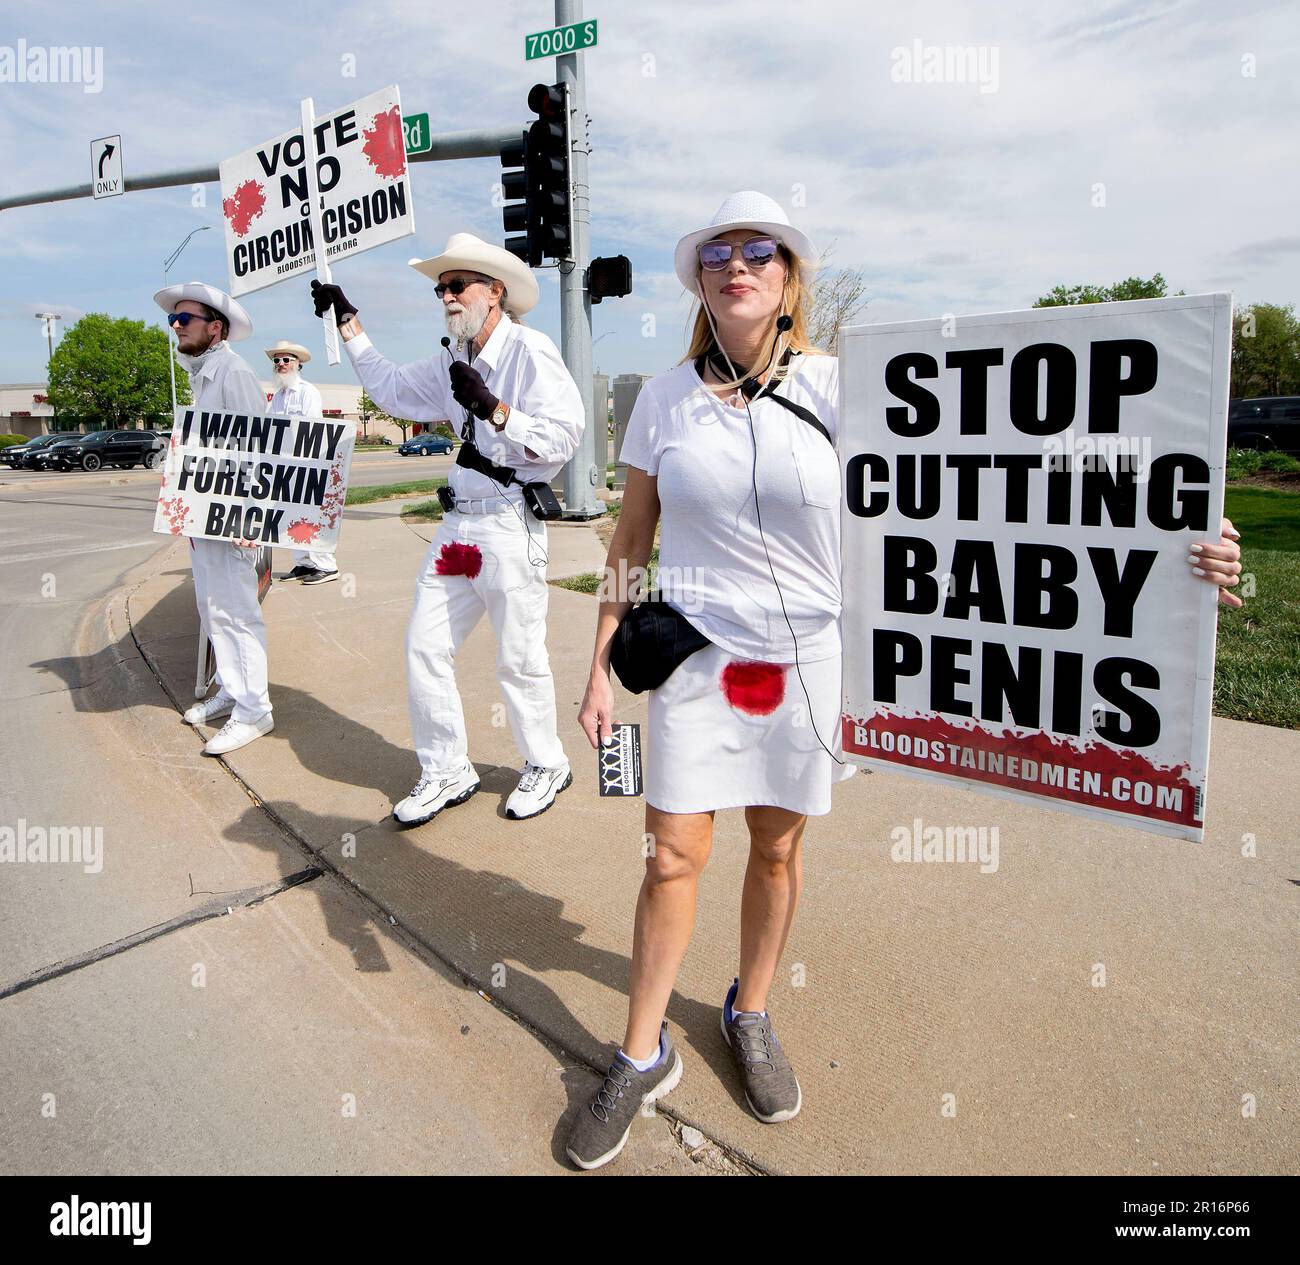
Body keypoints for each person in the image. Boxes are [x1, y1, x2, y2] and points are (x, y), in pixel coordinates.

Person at [565, 190, 1245, 1170]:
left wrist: (1174, 528)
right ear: (699, 284)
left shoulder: (849, 387)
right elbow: (630, 538)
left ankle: (749, 1010)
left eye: (760, 250)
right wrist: (598, 663)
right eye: (718, 253)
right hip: (695, 658)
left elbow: (992, 474)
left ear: (789, 280)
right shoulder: (663, 400)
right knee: (671, 855)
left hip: (806, 664)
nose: (737, 264)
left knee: (774, 848)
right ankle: (642, 1051)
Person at [310, 232, 585, 824]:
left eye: (457, 286)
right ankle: (446, 769)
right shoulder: (450, 358)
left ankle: (547, 763)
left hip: (509, 527)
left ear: (495, 292)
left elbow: (565, 438)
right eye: (441, 290)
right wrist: (349, 324)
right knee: (425, 646)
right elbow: (391, 390)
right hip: (458, 530)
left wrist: (496, 410)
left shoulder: (530, 352)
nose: (447, 298)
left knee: (519, 657)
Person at [154, 281, 275, 756]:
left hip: (231, 520)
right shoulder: (204, 373)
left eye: (185, 319)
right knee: (212, 609)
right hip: (205, 520)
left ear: (216, 328)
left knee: (236, 612)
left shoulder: (234, 372)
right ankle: (230, 688)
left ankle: (255, 709)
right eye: (173, 319)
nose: (176, 326)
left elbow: (259, 449)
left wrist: (250, 518)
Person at [266, 339, 336, 584]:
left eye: (286, 359)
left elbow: (311, 431)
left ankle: (327, 566)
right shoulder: (278, 397)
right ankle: (304, 563)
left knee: (312, 516)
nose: (281, 364)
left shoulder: (308, 392)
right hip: (285, 467)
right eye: (277, 360)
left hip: (307, 465)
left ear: (298, 363)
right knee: (292, 516)